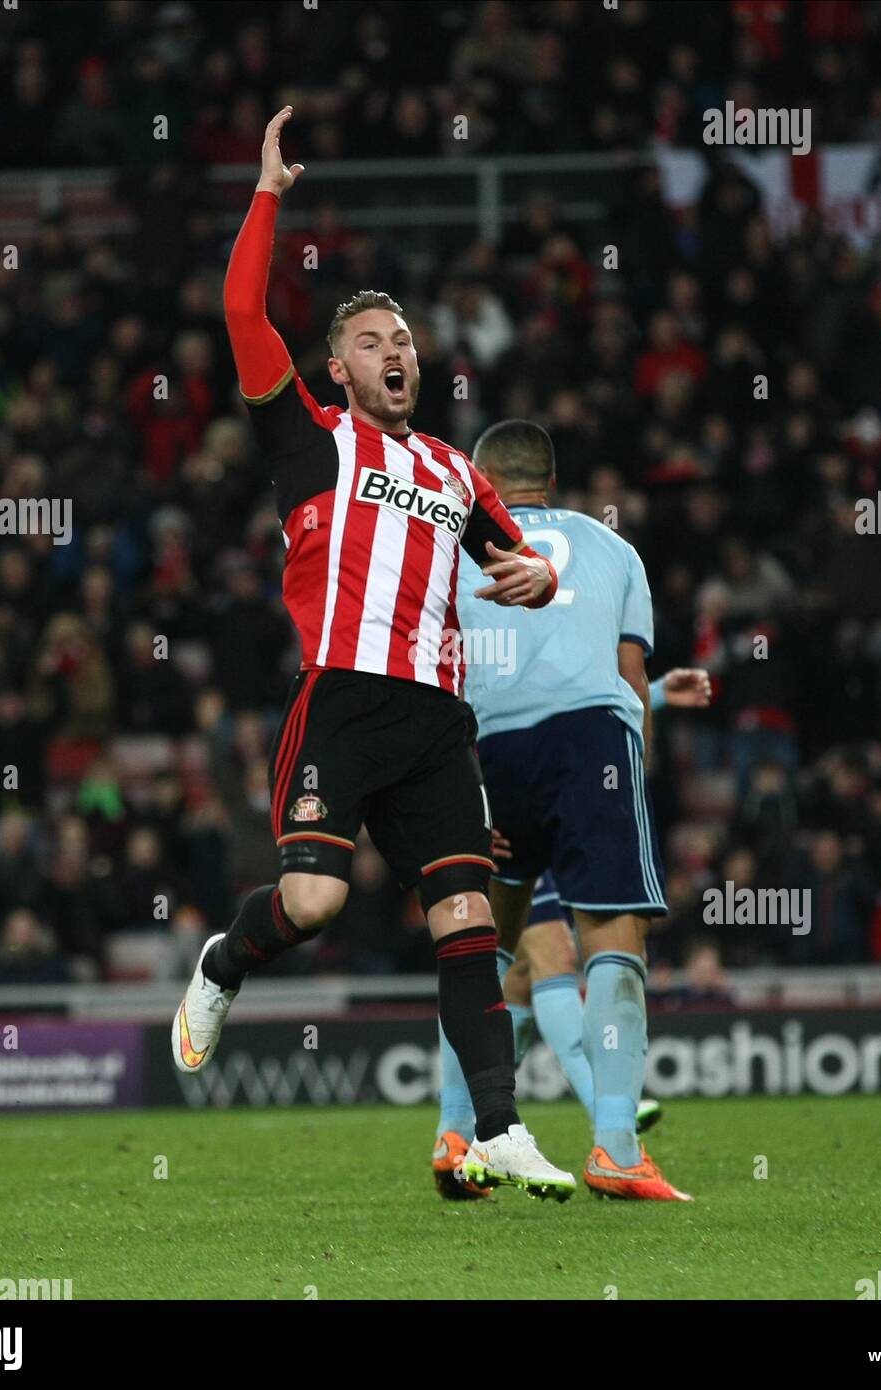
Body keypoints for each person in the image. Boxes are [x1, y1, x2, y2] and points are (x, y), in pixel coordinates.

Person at [170, 108, 575, 1200]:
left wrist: (540, 578)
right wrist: (266, 193)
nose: (394, 352)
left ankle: (496, 1127)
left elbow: (525, 559)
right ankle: (222, 962)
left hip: (440, 721)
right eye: (371, 342)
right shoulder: (305, 437)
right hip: (343, 700)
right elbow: (239, 308)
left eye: (403, 340)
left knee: (463, 919)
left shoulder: (452, 468)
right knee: (311, 906)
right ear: (339, 370)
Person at [433, 418, 699, 1202]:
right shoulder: (613, 548)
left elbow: (433, 676)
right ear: (550, 477)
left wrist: (452, 793)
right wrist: (629, 792)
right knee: (613, 937)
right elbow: (630, 678)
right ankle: (615, 1147)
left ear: (482, 479)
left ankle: (456, 1138)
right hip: (589, 745)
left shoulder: (452, 550)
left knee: (485, 948)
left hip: (488, 752)